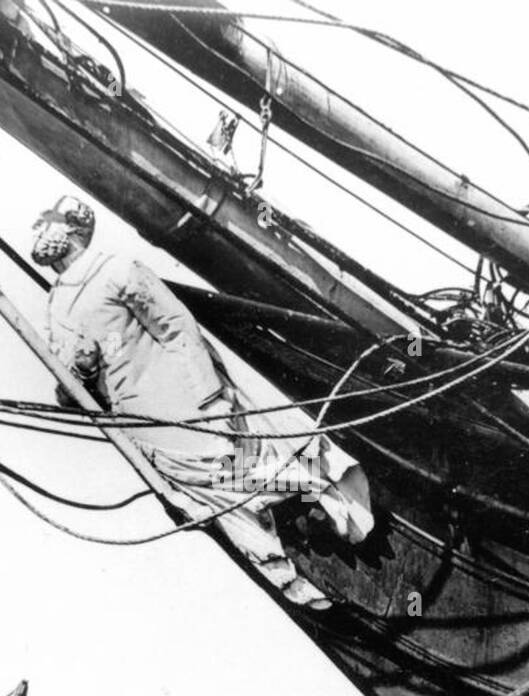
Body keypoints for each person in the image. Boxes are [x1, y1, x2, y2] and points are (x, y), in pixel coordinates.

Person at [31, 195, 373, 608]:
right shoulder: (54, 309)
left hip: (189, 408)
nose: (36, 225)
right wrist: (83, 371)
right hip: (148, 435)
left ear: (71, 228)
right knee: (222, 508)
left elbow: (177, 328)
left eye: (44, 219)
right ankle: (291, 581)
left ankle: (331, 513)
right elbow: (69, 397)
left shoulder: (117, 270)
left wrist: (209, 401)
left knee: (252, 474)